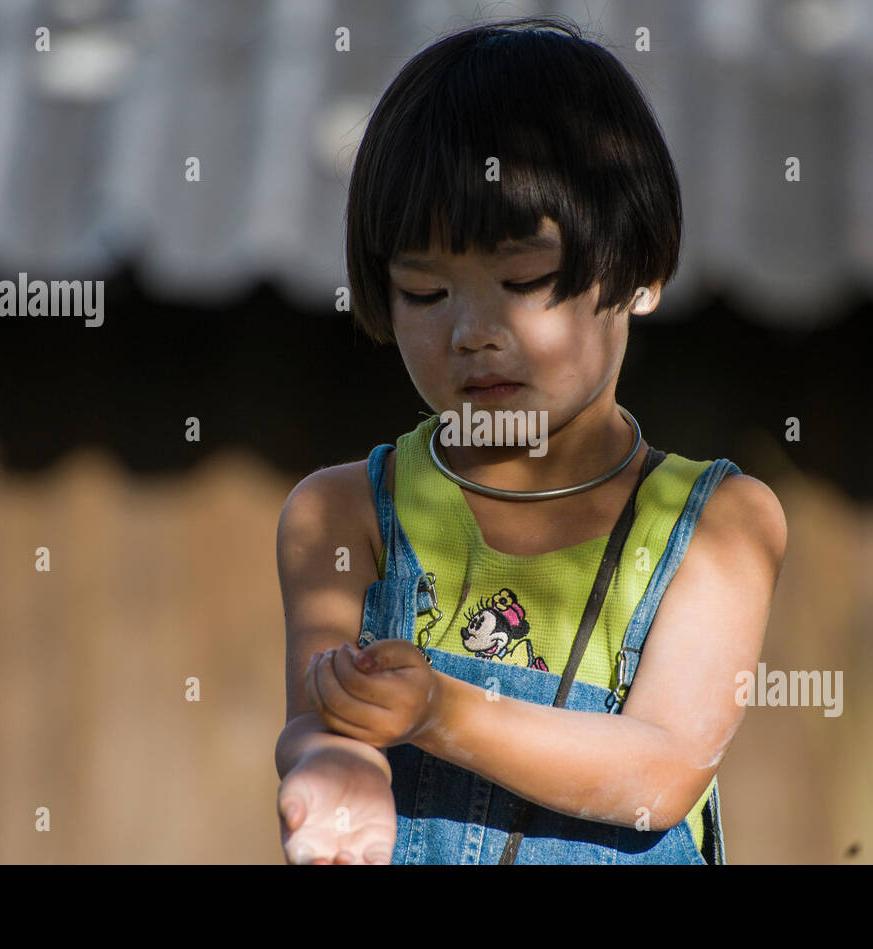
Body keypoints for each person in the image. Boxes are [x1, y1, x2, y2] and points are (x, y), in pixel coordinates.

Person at [273, 15, 786, 865]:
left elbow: (661, 771)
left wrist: (439, 711)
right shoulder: (341, 513)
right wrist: (333, 768)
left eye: (524, 280)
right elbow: (319, 717)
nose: (475, 330)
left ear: (640, 271)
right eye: (427, 291)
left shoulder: (722, 523)